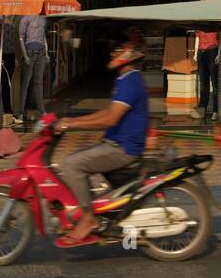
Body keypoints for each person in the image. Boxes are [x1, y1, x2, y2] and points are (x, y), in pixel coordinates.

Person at [51, 40, 149, 244]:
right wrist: (71, 120)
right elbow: (108, 112)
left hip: (122, 148)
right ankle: (84, 214)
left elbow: (110, 119)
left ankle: (88, 219)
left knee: (72, 164)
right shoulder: (125, 79)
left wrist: (73, 124)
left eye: (118, 50)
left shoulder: (130, 80)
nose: (113, 53)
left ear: (129, 55)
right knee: (77, 160)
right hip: (115, 143)